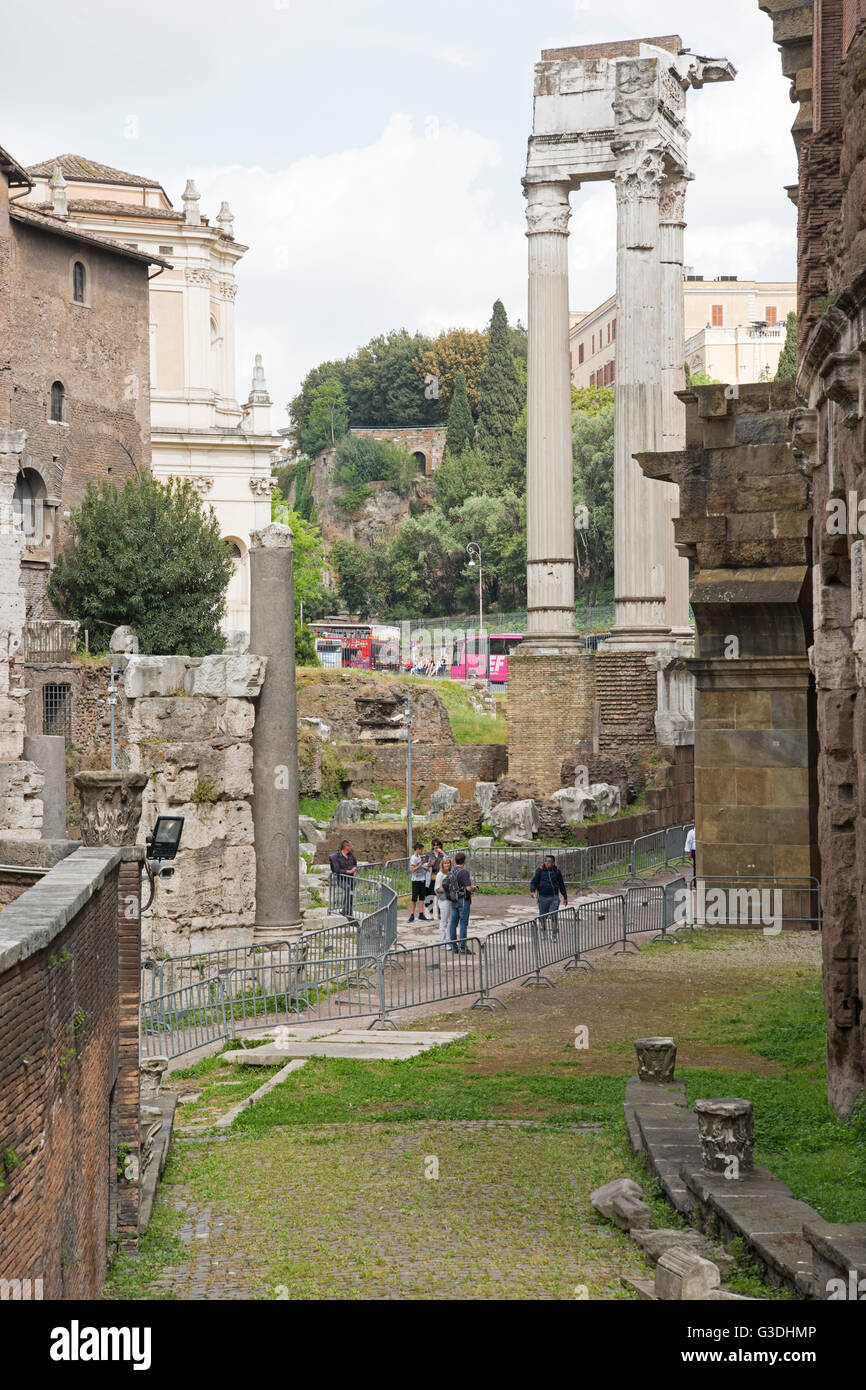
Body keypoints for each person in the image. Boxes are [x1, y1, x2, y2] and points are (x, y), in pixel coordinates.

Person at [445, 850, 478, 953]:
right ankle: (463, 947)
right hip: (463, 899)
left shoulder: (452, 871)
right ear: (464, 861)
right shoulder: (464, 872)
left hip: (453, 898)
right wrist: (474, 888)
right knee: (463, 922)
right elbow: (468, 888)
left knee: (453, 923)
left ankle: (454, 946)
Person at [530, 854, 568, 935]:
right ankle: (543, 930)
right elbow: (533, 882)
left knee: (554, 916)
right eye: (546, 861)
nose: (547, 863)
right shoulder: (540, 870)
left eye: (549, 861)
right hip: (543, 898)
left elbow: (561, 885)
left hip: (554, 898)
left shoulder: (557, 871)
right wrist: (532, 891)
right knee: (542, 917)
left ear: (553, 862)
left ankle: (554, 934)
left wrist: (565, 897)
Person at [329, 838, 358, 918]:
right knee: (348, 889)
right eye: (350, 845)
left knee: (351, 893)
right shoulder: (336, 856)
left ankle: (348, 910)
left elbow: (355, 863)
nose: (352, 847)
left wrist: (355, 870)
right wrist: (349, 871)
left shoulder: (350, 854)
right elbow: (336, 870)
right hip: (341, 879)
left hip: (351, 879)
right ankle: (345, 910)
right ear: (346, 846)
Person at [408, 841, 430, 922]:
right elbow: (413, 869)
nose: (422, 851)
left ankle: (421, 914)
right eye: (421, 850)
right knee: (414, 898)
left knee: (421, 897)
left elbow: (420, 866)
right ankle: (412, 914)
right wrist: (421, 864)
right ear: (417, 849)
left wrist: (425, 867)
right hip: (415, 881)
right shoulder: (413, 858)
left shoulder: (419, 857)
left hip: (422, 879)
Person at [434, 855, 452, 944]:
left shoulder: (451, 873)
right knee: (443, 921)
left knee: (451, 920)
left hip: (451, 899)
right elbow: (437, 889)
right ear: (442, 864)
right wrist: (448, 887)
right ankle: (443, 941)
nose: (447, 864)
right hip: (443, 899)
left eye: (448, 863)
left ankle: (449, 940)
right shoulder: (440, 875)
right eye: (445, 863)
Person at [425, 839, 444, 921]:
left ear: (440, 845)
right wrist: (429, 864)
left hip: (440, 876)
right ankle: (430, 913)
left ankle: (440, 914)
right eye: (434, 845)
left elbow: (448, 860)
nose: (436, 846)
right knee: (430, 896)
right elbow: (425, 865)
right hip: (432, 876)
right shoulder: (429, 854)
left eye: (437, 844)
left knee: (440, 896)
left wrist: (442, 852)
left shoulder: (442, 854)